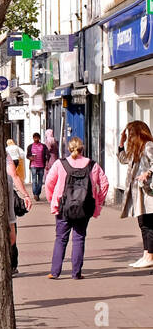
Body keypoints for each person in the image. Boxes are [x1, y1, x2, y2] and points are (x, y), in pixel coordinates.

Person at [42, 137, 110, 280]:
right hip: (84, 207)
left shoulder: (60, 164)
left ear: (69, 148)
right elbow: (104, 184)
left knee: (61, 238)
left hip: (63, 206)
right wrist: (98, 200)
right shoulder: (93, 165)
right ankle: (76, 273)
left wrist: (52, 199)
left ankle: (55, 272)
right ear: (82, 148)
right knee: (79, 238)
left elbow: (49, 182)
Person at [118, 120, 153, 268]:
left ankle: (150, 256)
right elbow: (123, 159)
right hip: (138, 190)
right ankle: (146, 254)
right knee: (143, 223)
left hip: (148, 191)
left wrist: (148, 172)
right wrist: (121, 144)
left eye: (131, 134)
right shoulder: (136, 148)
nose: (129, 137)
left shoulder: (148, 146)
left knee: (149, 223)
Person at [6, 146, 31, 274]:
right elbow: (14, 176)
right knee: (12, 238)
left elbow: (14, 176)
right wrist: (26, 195)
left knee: (12, 238)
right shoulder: (5, 155)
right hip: (7, 208)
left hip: (8, 206)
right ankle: (11, 266)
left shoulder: (5, 155)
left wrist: (26, 195)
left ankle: (11, 266)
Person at [27, 132, 48, 200]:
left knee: (40, 181)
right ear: (33, 138)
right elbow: (27, 155)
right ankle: (35, 194)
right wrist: (30, 158)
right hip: (33, 165)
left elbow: (47, 155)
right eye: (34, 138)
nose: (36, 139)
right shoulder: (30, 146)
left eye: (37, 137)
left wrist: (47, 162)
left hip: (41, 165)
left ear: (39, 138)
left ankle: (37, 193)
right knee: (34, 180)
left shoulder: (43, 146)